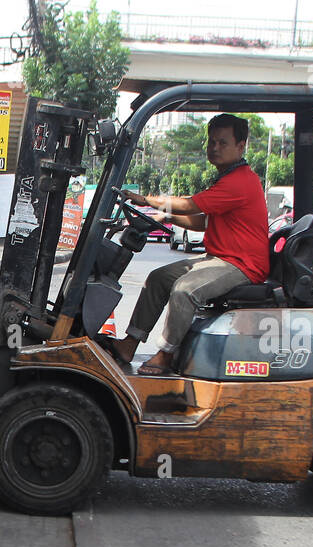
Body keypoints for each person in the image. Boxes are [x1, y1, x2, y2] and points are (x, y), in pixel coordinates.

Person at [113, 113, 271, 376]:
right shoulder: (227, 179)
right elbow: (201, 223)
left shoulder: (240, 182)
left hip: (242, 266)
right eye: (212, 142)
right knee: (159, 278)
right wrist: (165, 216)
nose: (215, 148)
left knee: (185, 290)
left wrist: (147, 200)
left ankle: (166, 354)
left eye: (223, 143)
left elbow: (191, 204)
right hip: (220, 259)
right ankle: (129, 344)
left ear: (241, 146)